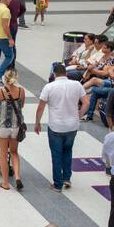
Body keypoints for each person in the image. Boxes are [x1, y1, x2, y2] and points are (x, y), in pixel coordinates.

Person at [34, 64, 88, 192]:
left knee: (56, 154)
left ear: (54, 74)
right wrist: (79, 116)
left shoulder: (49, 87)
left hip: (56, 126)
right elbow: (86, 102)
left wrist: (37, 123)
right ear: (66, 73)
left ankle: (57, 184)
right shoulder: (76, 85)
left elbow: (40, 107)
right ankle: (66, 178)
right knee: (68, 151)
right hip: (72, 126)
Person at [0, 69, 26, 191]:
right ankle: (18, 177)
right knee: (14, 152)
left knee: (3, 155)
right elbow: (21, 105)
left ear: (5, 78)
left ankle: (5, 183)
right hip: (16, 126)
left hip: (2, 126)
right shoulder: (21, 91)